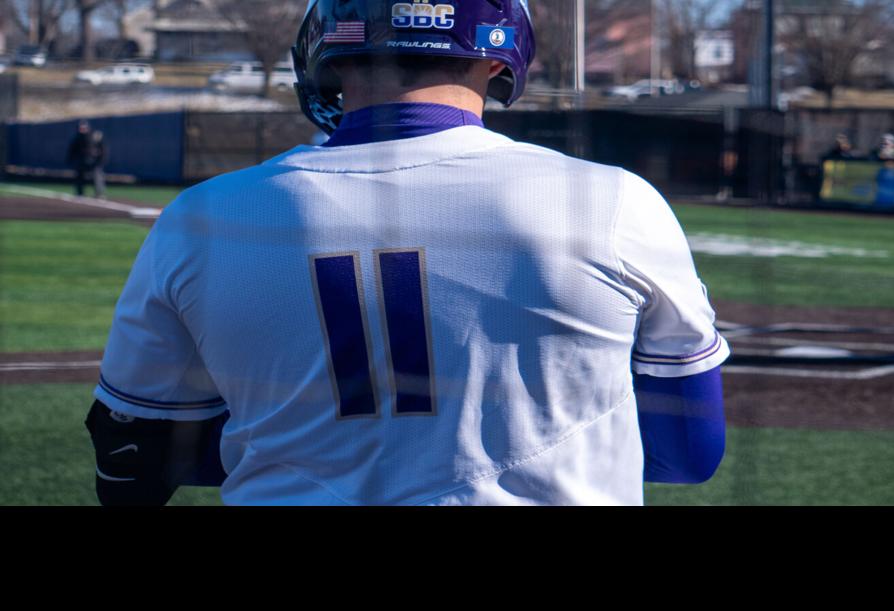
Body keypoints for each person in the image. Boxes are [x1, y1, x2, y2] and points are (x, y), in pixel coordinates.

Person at [84, 0, 728, 506]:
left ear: (329, 47)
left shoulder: (204, 217)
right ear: (500, 57)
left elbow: (132, 461)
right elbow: (689, 453)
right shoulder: (612, 200)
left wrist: (302, 439)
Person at [65, 120, 107, 199]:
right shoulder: (77, 138)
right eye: (81, 128)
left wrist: (101, 159)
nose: (82, 130)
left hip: (93, 161)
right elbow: (72, 151)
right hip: (82, 161)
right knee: (79, 175)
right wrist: (70, 160)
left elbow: (103, 149)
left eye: (84, 128)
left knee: (97, 175)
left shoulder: (95, 136)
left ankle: (99, 193)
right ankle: (80, 193)